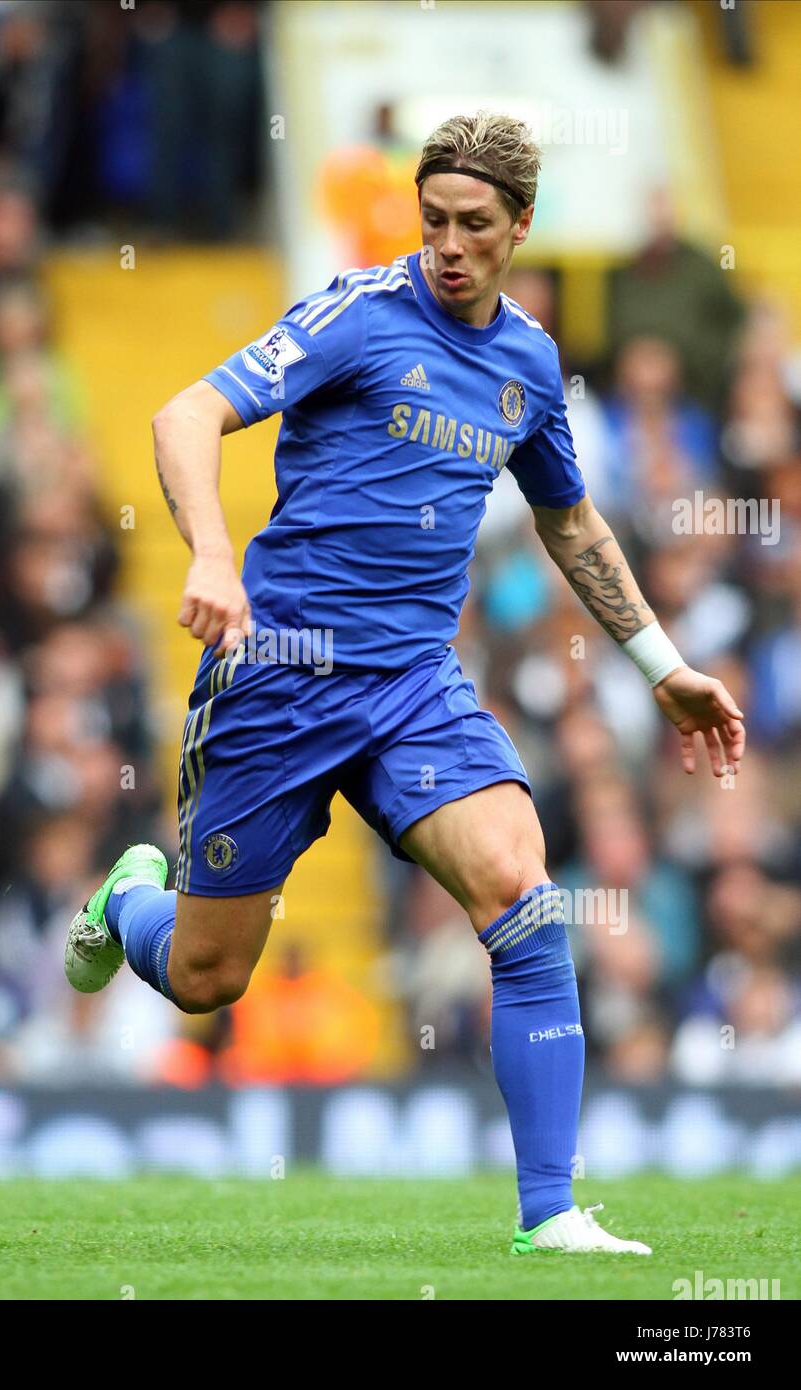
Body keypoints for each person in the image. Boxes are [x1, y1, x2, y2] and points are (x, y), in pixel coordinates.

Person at [63, 112, 746, 1255]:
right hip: (277, 675)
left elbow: (569, 519)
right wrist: (211, 556)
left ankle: (549, 1214)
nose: (449, 245)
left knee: (524, 897)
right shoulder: (356, 314)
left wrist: (661, 665)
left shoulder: (527, 362)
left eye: (474, 224)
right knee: (205, 976)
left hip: (412, 688)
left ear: (520, 225)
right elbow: (185, 413)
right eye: (432, 220)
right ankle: (129, 898)